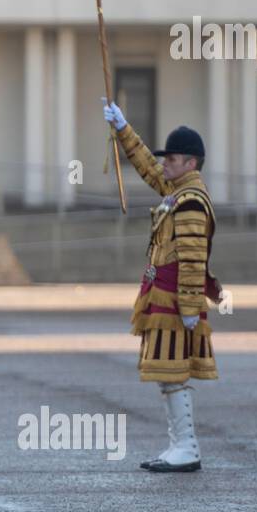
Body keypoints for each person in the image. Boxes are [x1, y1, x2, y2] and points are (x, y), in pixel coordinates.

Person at [103, 101, 220, 472]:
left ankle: (187, 446)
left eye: (172, 159)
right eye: (166, 159)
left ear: (191, 164)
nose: (165, 164)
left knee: (174, 375)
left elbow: (192, 259)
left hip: (174, 303)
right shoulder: (179, 190)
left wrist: (188, 310)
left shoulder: (189, 202)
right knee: (167, 377)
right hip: (165, 298)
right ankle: (179, 445)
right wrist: (124, 130)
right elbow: (150, 170)